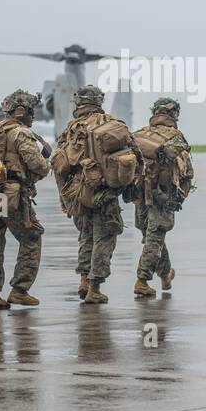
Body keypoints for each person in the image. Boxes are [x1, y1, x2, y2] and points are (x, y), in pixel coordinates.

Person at [54, 86, 141, 305]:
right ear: (98, 101)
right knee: (104, 238)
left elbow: (59, 164)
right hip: (104, 193)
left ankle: (84, 280)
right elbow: (135, 155)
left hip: (78, 193)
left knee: (85, 237)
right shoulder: (112, 124)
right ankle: (95, 287)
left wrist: (65, 198)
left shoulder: (70, 129)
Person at [0, 90, 51, 310]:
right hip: (11, 196)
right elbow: (38, 164)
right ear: (26, 112)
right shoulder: (21, 133)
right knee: (31, 238)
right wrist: (45, 167)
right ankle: (20, 289)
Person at [132, 98, 194, 296]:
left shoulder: (140, 134)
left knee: (152, 236)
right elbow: (186, 170)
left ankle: (166, 273)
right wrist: (180, 196)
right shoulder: (176, 136)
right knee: (155, 237)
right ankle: (142, 280)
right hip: (161, 193)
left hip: (139, 191)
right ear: (174, 115)